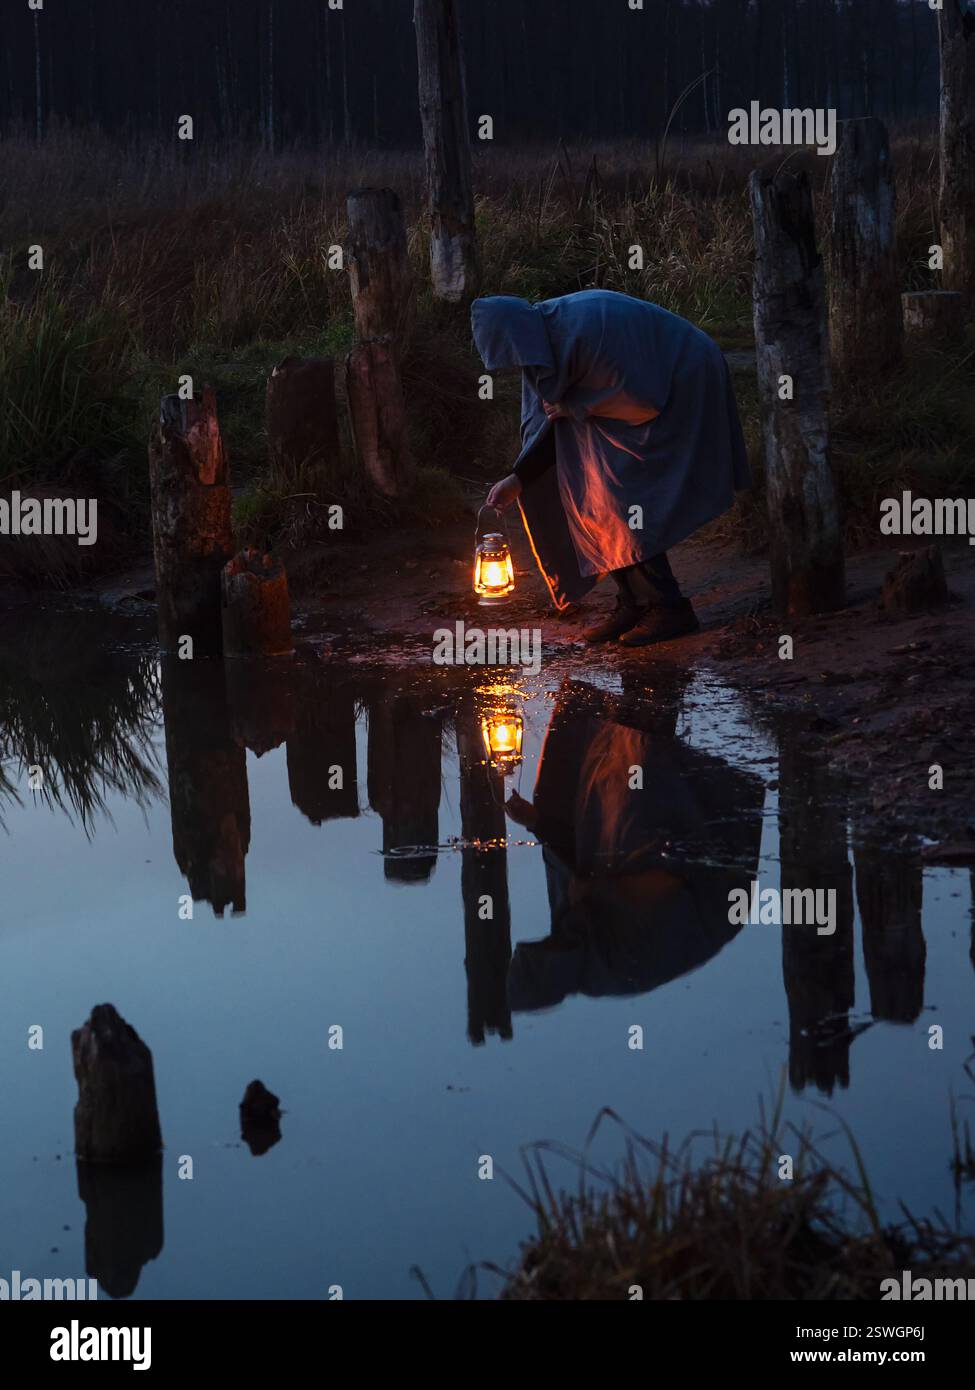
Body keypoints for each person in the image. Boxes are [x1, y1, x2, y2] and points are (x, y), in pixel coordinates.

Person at [471, 289, 750, 646]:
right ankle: (635, 603)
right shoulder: (540, 348)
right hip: (635, 393)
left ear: (518, 337)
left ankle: (670, 608)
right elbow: (548, 426)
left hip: (684, 375)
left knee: (622, 493)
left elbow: (642, 402)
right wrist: (519, 478)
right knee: (586, 490)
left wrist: (576, 409)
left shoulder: (584, 337)